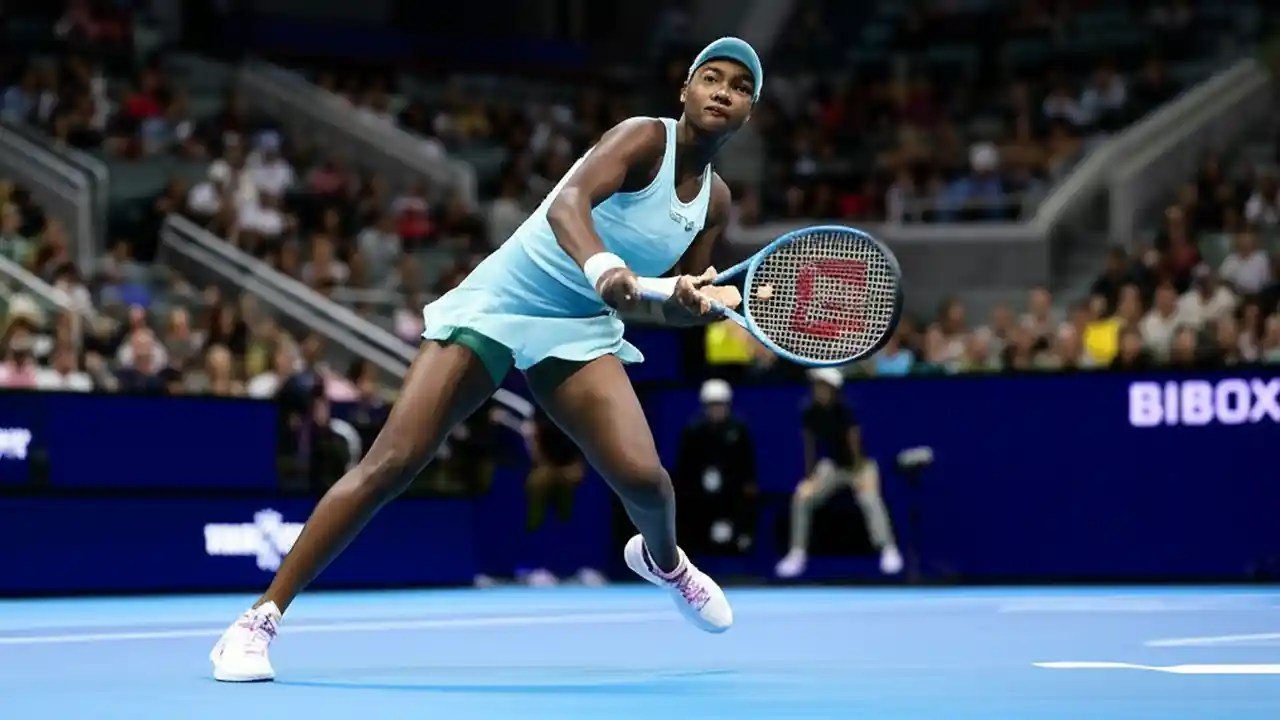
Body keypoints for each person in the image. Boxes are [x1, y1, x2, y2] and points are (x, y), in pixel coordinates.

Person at [211, 37, 763, 682]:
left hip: (577, 329)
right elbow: (567, 204)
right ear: (686, 90)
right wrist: (604, 267)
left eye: (740, 86)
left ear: (750, 110)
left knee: (647, 481)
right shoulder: (644, 138)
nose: (722, 91)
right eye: (711, 78)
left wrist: (704, 301)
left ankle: (666, 563)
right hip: (499, 304)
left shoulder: (714, 202)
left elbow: (669, 301)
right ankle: (257, 621)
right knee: (393, 461)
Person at [775, 368, 902, 579]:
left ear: (834, 390)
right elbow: (810, 446)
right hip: (832, 466)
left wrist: (861, 478)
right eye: (816, 385)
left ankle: (888, 549)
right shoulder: (809, 411)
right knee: (802, 497)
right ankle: (797, 553)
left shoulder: (847, 411)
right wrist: (810, 477)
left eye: (823, 386)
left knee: (870, 499)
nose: (818, 390)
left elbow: (856, 448)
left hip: (860, 466)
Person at [674, 379, 758, 556]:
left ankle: (741, 541)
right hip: (699, 492)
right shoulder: (693, 431)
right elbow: (685, 468)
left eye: (720, 405)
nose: (717, 410)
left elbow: (747, 463)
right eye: (712, 405)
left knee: (747, 499)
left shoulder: (738, 429)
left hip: (731, 491)